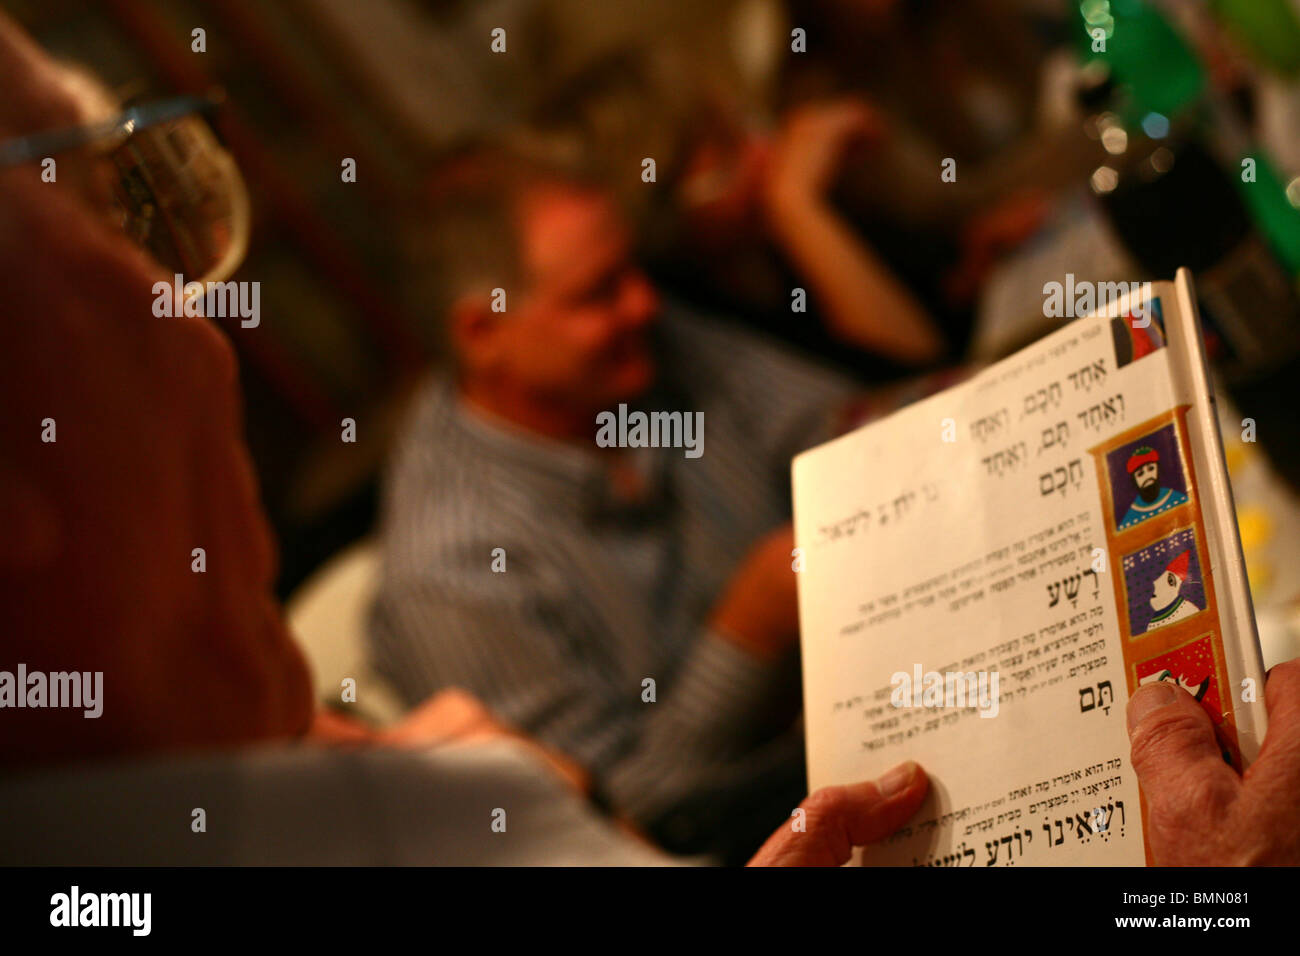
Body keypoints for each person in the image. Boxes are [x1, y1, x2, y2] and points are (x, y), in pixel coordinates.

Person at [370, 146, 880, 862]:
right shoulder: (449, 572)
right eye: (597, 294)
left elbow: (837, 423)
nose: (644, 303)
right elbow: (615, 820)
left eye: (631, 272)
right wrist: (750, 632)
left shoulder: (635, 344)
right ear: (483, 334)